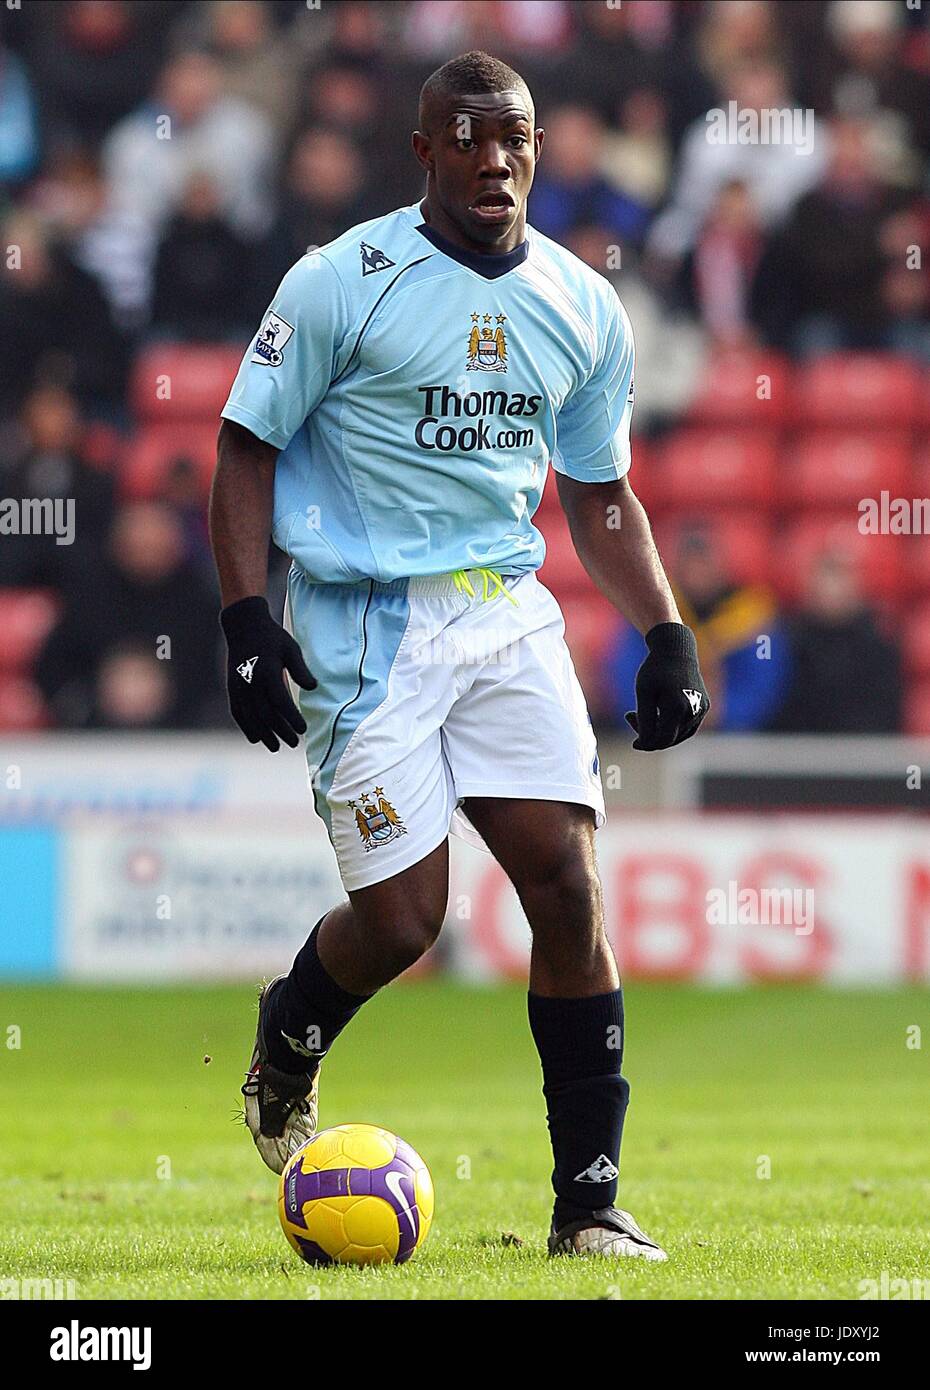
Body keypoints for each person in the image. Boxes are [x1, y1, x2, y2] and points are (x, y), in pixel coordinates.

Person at [210, 51, 709, 1262]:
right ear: (424, 150)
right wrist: (241, 619)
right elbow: (243, 447)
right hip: (362, 622)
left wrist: (667, 630)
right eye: (469, 138)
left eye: (517, 137)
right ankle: (291, 1032)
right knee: (402, 923)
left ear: (539, 149)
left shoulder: (584, 304)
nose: (496, 160)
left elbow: (599, 496)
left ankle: (587, 1204)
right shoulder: (343, 282)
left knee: (572, 887)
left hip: (502, 612)